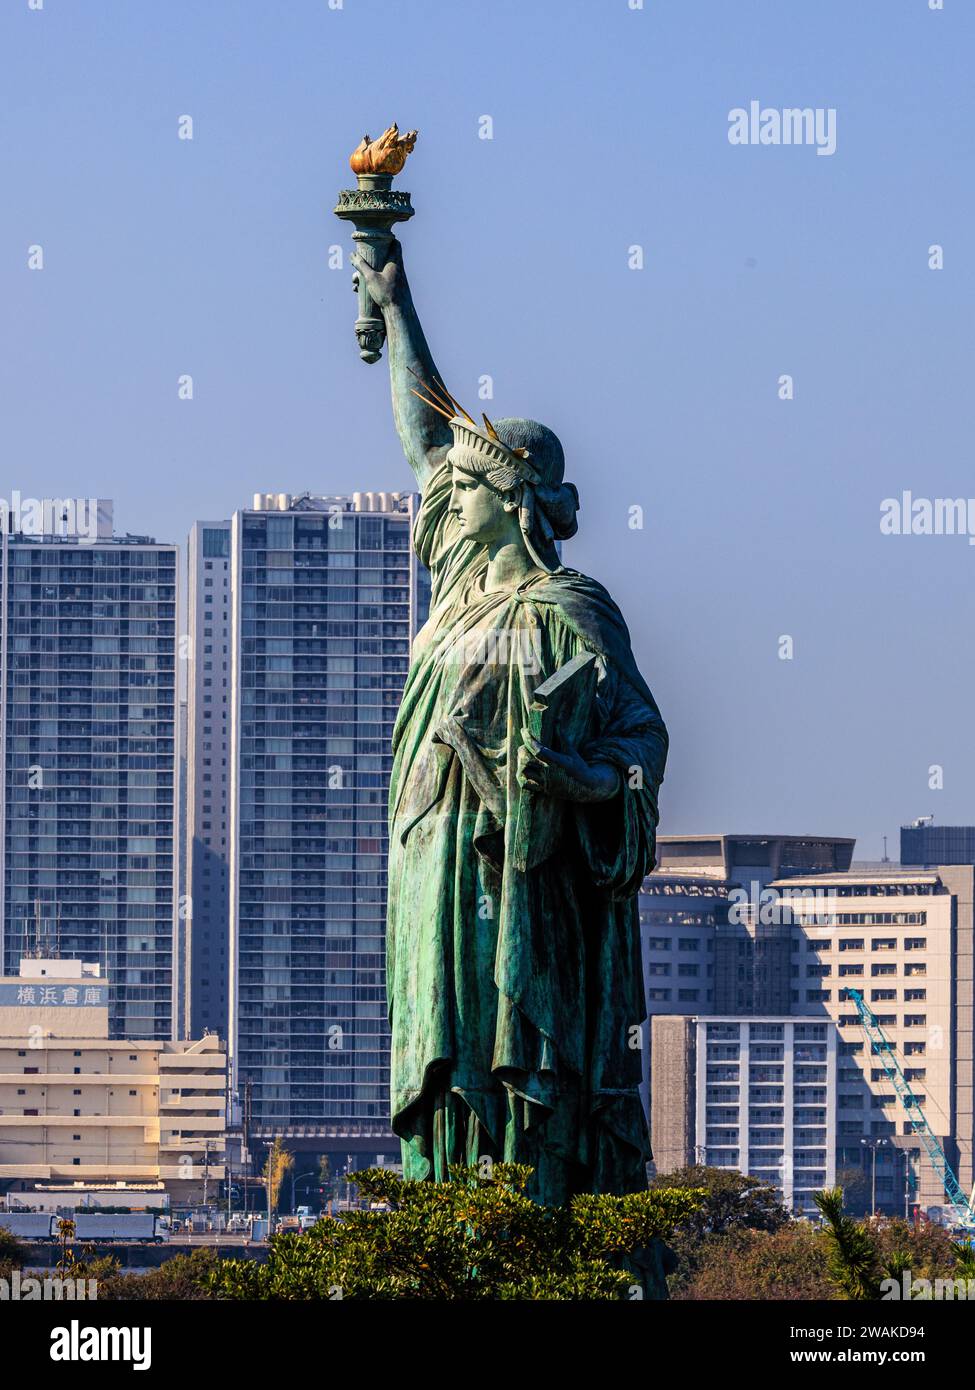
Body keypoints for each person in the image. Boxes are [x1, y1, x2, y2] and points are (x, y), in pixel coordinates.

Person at [351, 239, 669, 1204]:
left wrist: (577, 779)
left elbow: (640, 738)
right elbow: (421, 430)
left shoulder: (570, 605)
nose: (448, 488)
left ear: (515, 495)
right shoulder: (453, 586)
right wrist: (391, 292)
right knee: (440, 1053)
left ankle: (529, 1223)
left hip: (520, 864)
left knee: (508, 1057)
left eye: (471, 479)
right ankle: (449, 1226)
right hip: (429, 856)